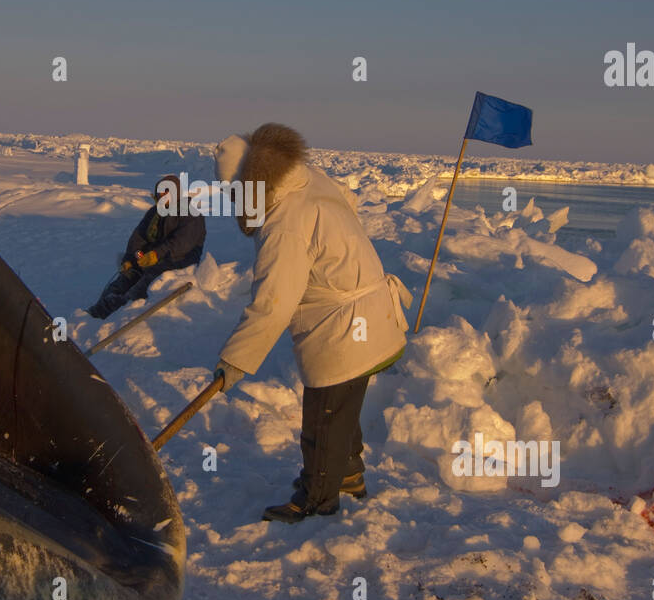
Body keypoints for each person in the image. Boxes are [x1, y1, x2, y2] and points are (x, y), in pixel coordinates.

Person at [212, 125, 411, 523]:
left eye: (233, 192)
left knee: (323, 416)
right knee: (342, 409)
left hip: (345, 325)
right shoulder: (306, 179)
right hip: (371, 313)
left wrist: (236, 359)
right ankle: (350, 475)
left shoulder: (284, 222)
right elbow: (348, 204)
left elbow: (273, 303)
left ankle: (317, 501)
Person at [87, 174, 205, 320]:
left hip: (177, 261)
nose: (163, 195)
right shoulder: (154, 213)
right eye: (161, 191)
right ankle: (95, 312)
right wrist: (132, 258)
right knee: (128, 275)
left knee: (145, 283)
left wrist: (156, 255)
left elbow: (182, 243)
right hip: (149, 258)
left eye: (167, 191)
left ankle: (120, 310)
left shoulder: (191, 214)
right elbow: (138, 238)